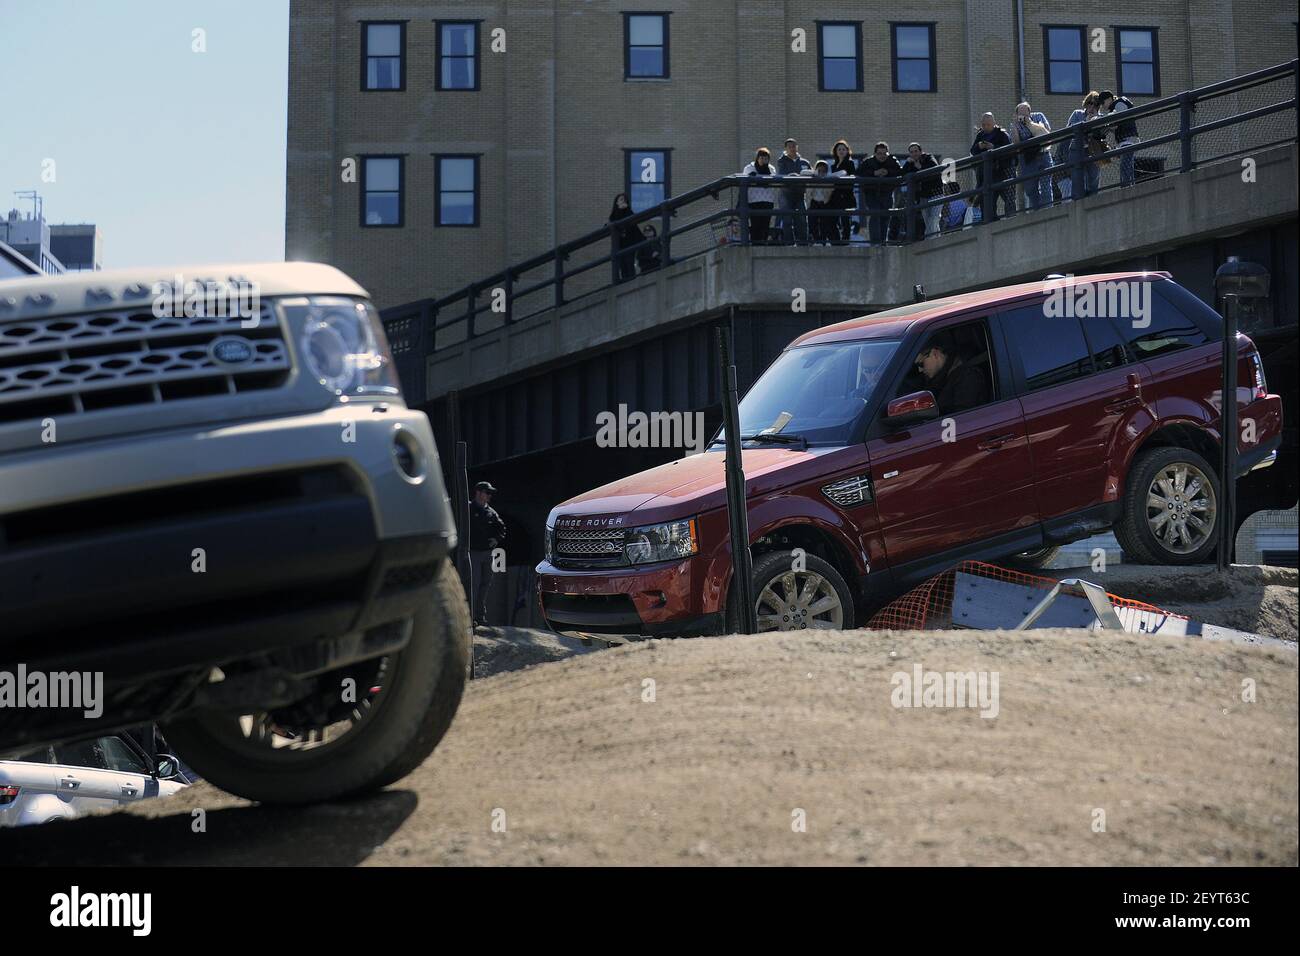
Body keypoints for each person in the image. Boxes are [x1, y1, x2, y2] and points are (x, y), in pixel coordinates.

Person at [468, 480, 507, 627]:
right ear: (478, 493)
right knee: (474, 583)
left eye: (490, 493)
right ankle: (470, 617)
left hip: (488, 553)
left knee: (486, 583)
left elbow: (502, 528)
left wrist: (496, 540)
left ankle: (480, 615)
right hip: (473, 553)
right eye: (487, 492)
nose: (489, 496)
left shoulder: (491, 512)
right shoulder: (468, 509)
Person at [915, 339, 988, 414]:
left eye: (921, 364)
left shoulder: (966, 376)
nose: (920, 370)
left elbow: (963, 418)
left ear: (935, 354)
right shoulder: (938, 378)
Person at [970, 112, 1014, 220]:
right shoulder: (980, 135)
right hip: (986, 175)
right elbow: (972, 151)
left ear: (994, 123)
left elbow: (1009, 152)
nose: (985, 127)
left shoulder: (1003, 135)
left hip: (1003, 173)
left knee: (1009, 200)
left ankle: (1011, 220)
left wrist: (993, 147)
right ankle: (990, 223)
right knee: (988, 203)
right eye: (983, 125)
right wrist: (979, 146)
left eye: (988, 124)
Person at [1010, 101, 1054, 210]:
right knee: (1030, 189)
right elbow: (1016, 144)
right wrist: (1015, 126)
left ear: (1030, 111)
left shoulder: (1038, 116)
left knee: (1046, 187)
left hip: (1043, 154)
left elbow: (1047, 132)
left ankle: (1048, 210)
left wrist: (1030, 123)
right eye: (1021, 114)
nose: (1023, 117)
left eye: (1026, 113)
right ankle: (1037, 211)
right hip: (1028, 159)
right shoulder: (1015, 125)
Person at [857, 141, 901, 245]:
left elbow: (900, 172)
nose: (882, 156)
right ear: (875, 153)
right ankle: (875, 242)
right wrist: (873, 173)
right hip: (871, 194)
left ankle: (883, 242)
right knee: (875, 214)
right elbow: (858, 173)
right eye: (879, 153)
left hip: (887, 194)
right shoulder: (867, 162)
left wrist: (888, 172)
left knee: (885, 217)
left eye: (884, 153)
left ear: (888, 153)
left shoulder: (893, 161)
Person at [1065, 91, 1106, 198]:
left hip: (1094, 150)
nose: (1092, 107)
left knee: (1094, 178)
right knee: (1078, 179)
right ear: (1086, 103)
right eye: (1090, 103)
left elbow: (1103, 134)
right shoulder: (1077, 114)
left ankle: (1092, 201)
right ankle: (1078, 203)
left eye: (1096, 104)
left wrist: (1096, 121)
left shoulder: (1101, 117)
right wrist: (1085, 122)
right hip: (1077, 150)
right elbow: (1069, 130)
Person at [900, 142, 942, 239]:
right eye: (912, 152)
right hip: (923, 196)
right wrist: (907, 163)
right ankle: (937, 239)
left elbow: (934, 169)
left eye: (916, 151)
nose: (914, 154)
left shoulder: (929, 158)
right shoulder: (910, 163)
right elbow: (902, 174)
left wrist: (919, 167)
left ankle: (930, 242)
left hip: (936, 193)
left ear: (921, 151)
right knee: (928, 221)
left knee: (934, 219)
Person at [775, 138, 811, 245]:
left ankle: (803, 243)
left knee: (802, 219)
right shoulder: (782, 161)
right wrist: (796, 176)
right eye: (789, 146)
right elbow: (783, 175)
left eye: (794, 146)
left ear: (797, 147)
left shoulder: (805, 162)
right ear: (786, 148)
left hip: (800, 194)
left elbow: (810, 175)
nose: (792, 148)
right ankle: (789, 243)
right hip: (786, 194)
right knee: (787, 220)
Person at [1100, 90, 1140, 187]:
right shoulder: (1118, 104)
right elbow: (1117, 124)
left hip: (1128, 139)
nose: (1102, 106)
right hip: (1125, 140)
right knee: (1127, 166)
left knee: (1125, 166)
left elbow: (1118, 117)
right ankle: (1129, 186)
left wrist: (1106, 121)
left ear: (1109, 99)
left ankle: (1126, 188)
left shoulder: (1119, 103)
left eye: (1102, 102)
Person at [740, 147, 778, 243]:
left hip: (768, 200)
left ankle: (763, 243)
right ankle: (755, 243)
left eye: (766, 158)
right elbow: (745, 181)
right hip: (754, 200)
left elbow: (772, 182)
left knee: (765, 224)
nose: (763, 160)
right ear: (757, 158)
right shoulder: (749, 168)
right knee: (755, 224)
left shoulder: (771, 168)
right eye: (761, 158)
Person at [828, 139, 857, 244]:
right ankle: (835, 240)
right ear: (835, 151)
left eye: (843, 149)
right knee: (833, 219)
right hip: (835, 195)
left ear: (847, 151)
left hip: (846, 195)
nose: (841, 151)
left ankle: (845, 240)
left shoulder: (850, 163)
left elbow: (851, 177)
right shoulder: (833, 165)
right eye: (839, 149)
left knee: (845, 220)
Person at [608, 193, 641, 281]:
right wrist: (620, 210)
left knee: (629, 263)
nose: (623, 201)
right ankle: (624, 283)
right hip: (619, 244)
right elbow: (614, 221)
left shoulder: (628, 211)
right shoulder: (613, 215)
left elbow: (632, 221)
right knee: (622, 265)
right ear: (616, 202)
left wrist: (626, 209)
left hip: (629, 242)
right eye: (620, 199)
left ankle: (631, 282)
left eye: (624, 200)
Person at [807, 159, 833, 245]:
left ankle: (823, 241)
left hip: (824, 203)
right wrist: (816, 181)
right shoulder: (811, 179)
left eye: (823, 171)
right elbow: (809, 192)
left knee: (824, 223)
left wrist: (823, 181)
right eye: (819, 170)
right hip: (814, 202)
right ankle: (815, 239)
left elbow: (829, 193)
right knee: (812, 222)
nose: (821, 172)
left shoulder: (829, 181)